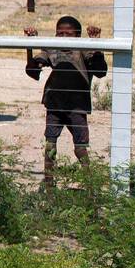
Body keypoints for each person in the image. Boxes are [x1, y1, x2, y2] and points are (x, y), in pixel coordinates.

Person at [24, 16, 108, 188]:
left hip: (77, 106)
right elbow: (33, 71)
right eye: (59, 33)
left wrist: (96, 44)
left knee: (80, 149)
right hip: (54, 104)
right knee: (50, 146)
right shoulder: (51, 50)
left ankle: (90, 188)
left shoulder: (83, 51)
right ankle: (49, 187)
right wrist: (30, 45)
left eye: (68, 34)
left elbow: (100, 71)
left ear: (78, 36)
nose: (63, 37)